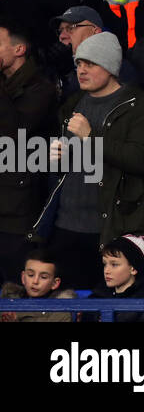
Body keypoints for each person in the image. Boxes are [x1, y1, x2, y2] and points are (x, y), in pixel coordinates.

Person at [40, 32, 144, 291]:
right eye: (78, 64)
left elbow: (138, 159)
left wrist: (91, 136)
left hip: (109, 228)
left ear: (110, 65)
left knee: (107, 307)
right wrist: (54, 159)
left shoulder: (138, 105)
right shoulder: (72, 104)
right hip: (66, 226)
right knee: (67, 306)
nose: (81, 70)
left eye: (89, 64)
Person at [0, 22, 57, 282]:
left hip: (19, 207)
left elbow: (16, 131)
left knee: (13, 287)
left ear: (19, 49)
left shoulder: (41, 88)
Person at [87, 233, 144, 322]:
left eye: (114, 264)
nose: (106, 271)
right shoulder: (96, 296)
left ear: (133, 269)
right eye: (105, 264)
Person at [0, 251, 76, 322]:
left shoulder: (62, 311)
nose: (35, 281)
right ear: (23, 278)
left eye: (43, 277)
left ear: (54, 283)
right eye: (31, 275)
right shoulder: (8, 303)